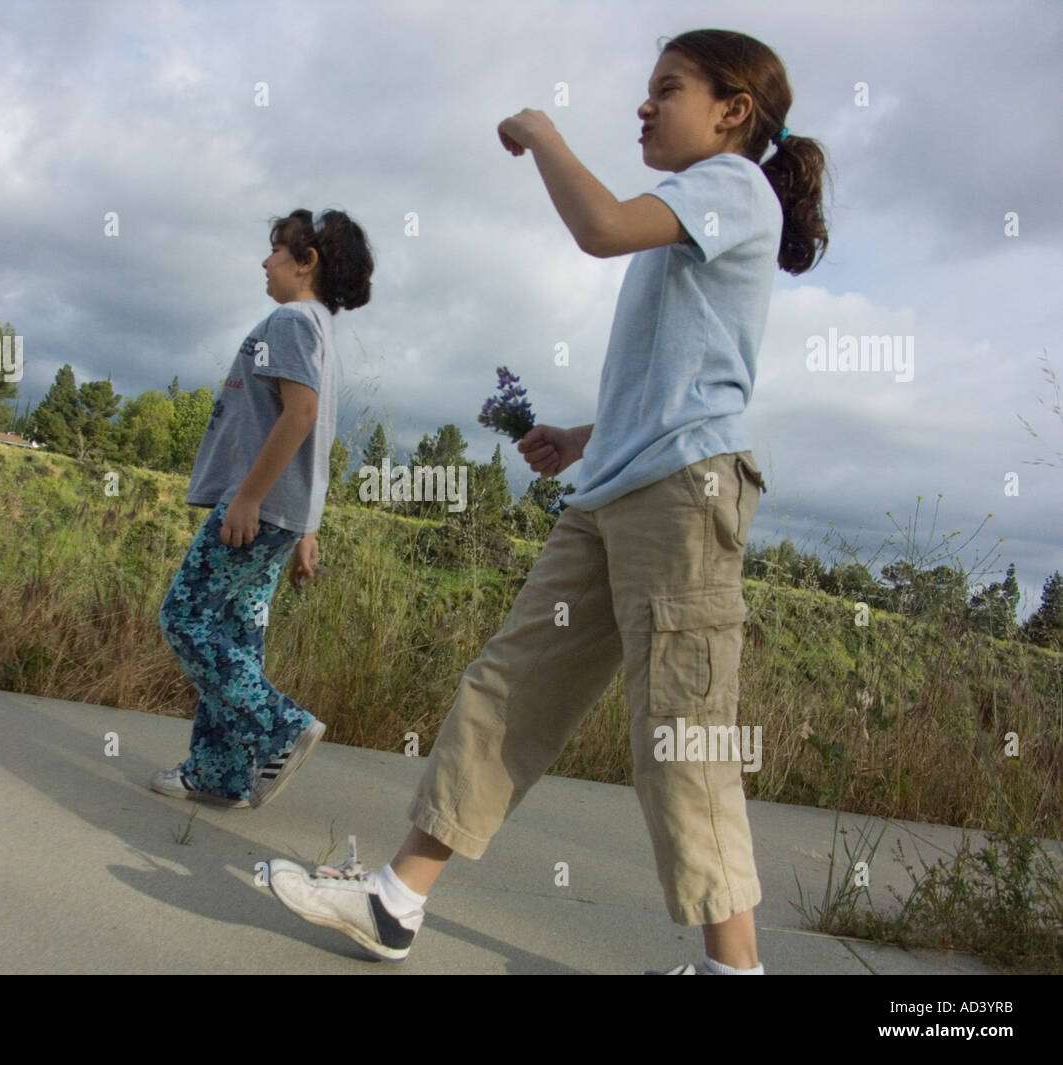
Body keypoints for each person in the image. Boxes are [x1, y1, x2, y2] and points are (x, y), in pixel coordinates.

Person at [264, 28, 830, 972]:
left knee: (683, 734)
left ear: (734, 112)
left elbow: (598, 227)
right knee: (510, 686)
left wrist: (542, 134)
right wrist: (580, 437)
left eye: (668, 89)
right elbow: (674, 379)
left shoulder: (731, 186)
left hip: (686, 499)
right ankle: (396, 900)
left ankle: (735, 969)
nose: (645, 106)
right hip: (613, 490)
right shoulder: (689, 212)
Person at [152, 208, 374, 808]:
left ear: (308, 263)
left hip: (258, 509)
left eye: (278, 250)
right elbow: (320, 429)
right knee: (235, 635)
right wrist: (309, 529)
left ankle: (280, 725)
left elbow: (301, 418)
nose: (265, 261)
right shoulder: (320, 330)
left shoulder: (290, 321)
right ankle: (219, 776)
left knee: (184, 617)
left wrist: (247, 496)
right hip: (284, 515)